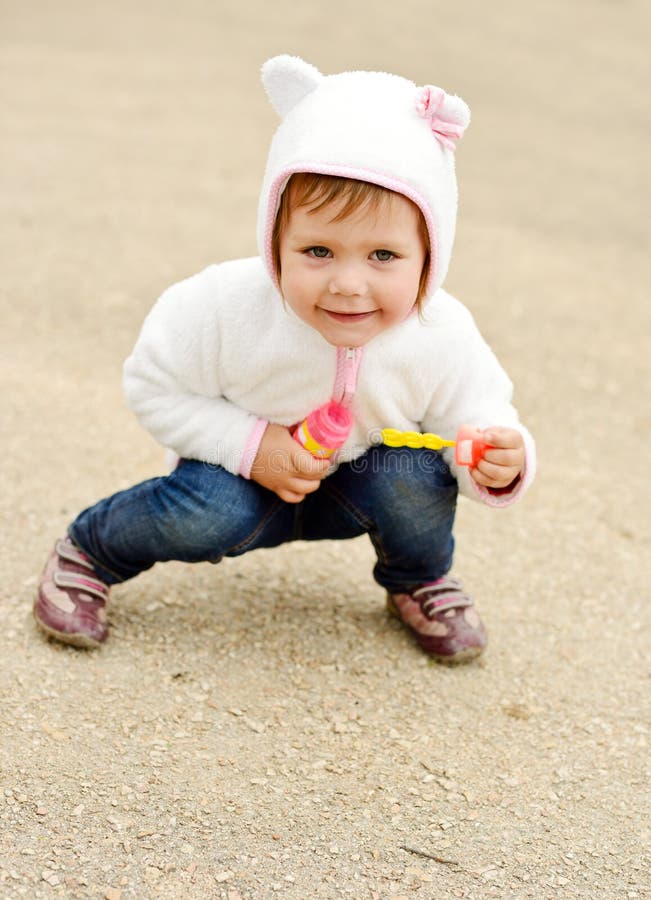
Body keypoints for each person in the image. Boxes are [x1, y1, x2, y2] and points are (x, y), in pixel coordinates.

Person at [34, 55, 536, 663]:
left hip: (361, 484)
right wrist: (252, 445)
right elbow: (154, 384)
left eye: (383, 256)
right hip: (238, 483)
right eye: (318, 250)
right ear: (274, 238)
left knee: (416, 478)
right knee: (206, 511)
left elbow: (477, 407)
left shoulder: (441, 329)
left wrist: (498, 455)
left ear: (431, 255)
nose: (349, 284)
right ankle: (89, 552)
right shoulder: (224, 305)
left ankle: (418, 579)